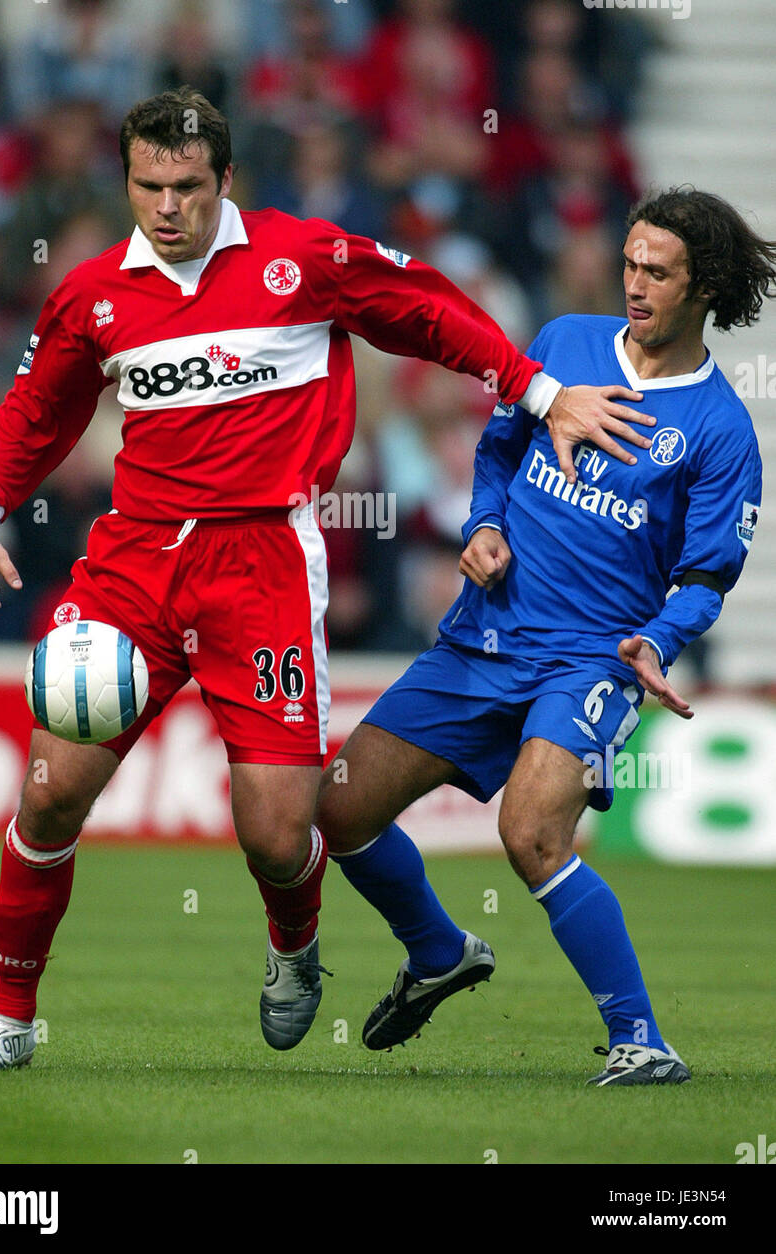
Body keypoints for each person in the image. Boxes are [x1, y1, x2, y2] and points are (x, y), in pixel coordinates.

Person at [0, 86, 654, 1071]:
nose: (166, 206)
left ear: (224, 180)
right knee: (50, 791)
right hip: (134, 563)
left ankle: (292, 946)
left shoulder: (300, 260)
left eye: (187, 186)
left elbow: (424, 311)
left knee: (278, 834)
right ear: (127, 182)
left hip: (263, 564)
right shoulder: (96, 294)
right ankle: (7, 1014)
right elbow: (36, 408)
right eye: (147, 186)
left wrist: (536, 391)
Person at [315, 188, 775, 1085]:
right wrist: (482, 526)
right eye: (630, 261)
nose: (634, 283)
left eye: (658, 270)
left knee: (529, 832)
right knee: (336, 810)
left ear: (703, 285)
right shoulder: (564, 340)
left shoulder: (721, 430)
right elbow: (496, 446)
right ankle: (438, 949)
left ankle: (642, 1040)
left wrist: (659, 640)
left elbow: (706, 575)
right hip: (481, 637)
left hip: (591, 659)